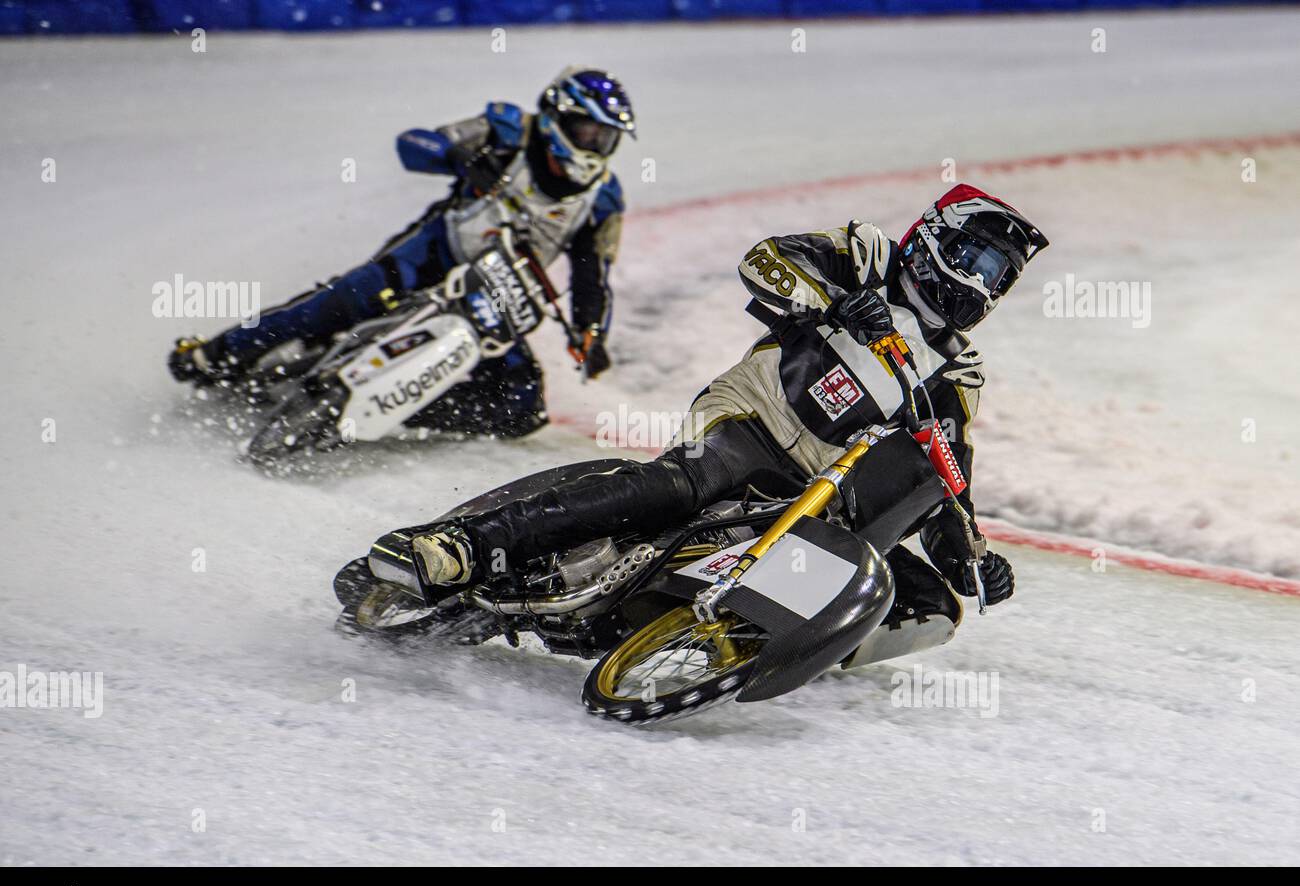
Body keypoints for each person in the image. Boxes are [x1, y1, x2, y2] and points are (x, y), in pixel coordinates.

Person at [411, 184, 1048, 617]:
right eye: (979, 260)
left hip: (815, 485)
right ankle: (470, 544)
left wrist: (972, 562)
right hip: (750, 414)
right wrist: (830, 299)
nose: (983, 285)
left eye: (1000, 275)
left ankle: (729, 641)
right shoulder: (868, 255)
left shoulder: (959, 372)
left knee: (917, 601)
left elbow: (943, 478)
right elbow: (764, 260)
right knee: (679, 489)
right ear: (939, 238)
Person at [168, 66, 634, 436]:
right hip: (432, 255)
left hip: (498, 297)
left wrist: (591, 333)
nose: (596, 146)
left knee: (520, 411)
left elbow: (594, 275)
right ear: (558, 116)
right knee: (338, 303)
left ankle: (388, 408)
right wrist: (464, 160)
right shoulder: (508, 130)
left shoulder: (603, 198)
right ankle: (214, 355)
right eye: (588, 131)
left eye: (606, 137)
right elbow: (412, 144)